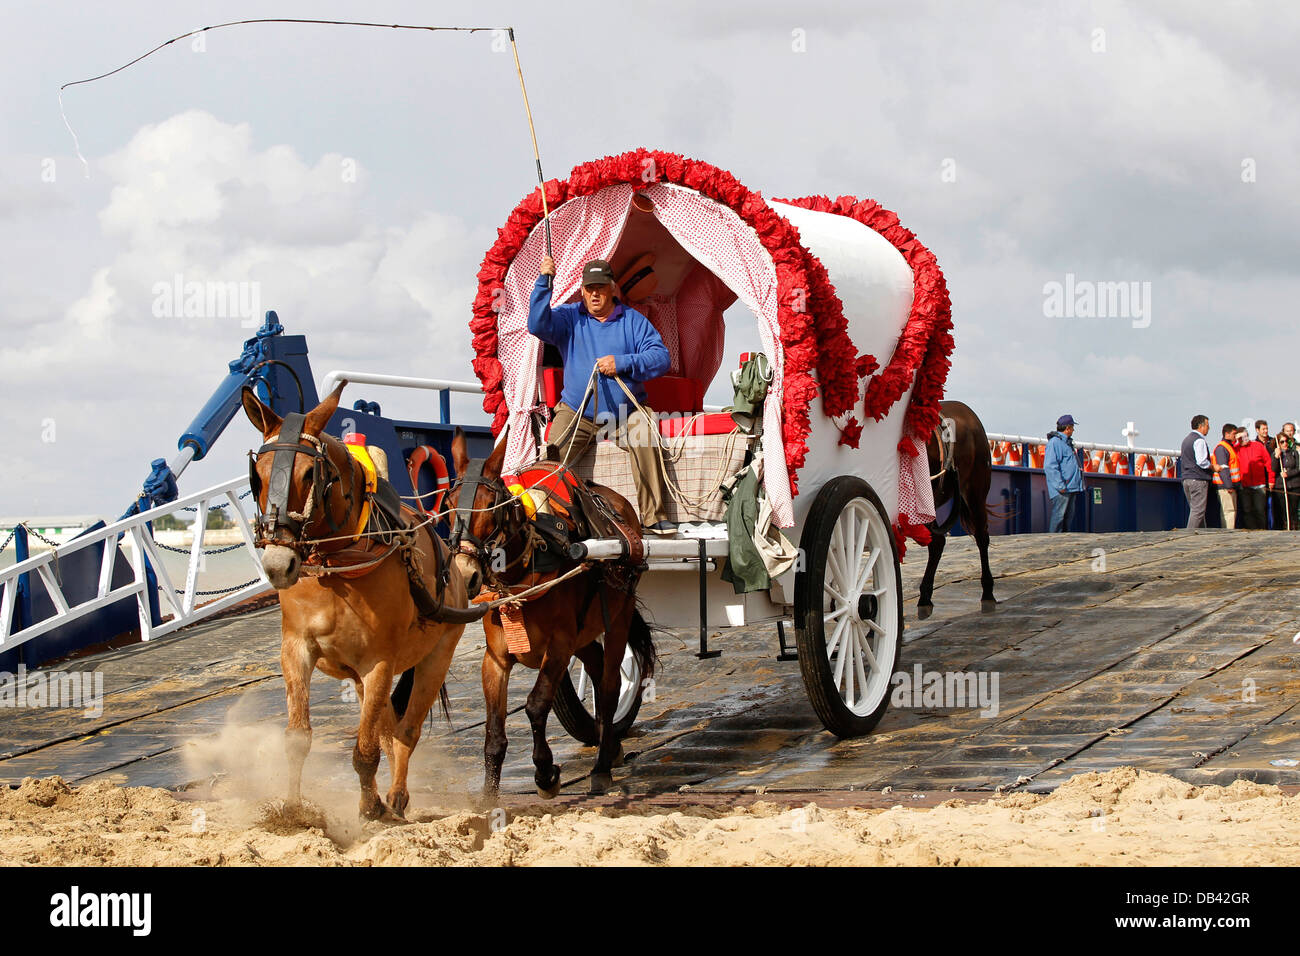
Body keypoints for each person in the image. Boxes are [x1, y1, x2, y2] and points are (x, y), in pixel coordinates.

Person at [529, 254, 674, 530]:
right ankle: (549, 522)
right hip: (576, 412)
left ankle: (655, 518)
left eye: (601, 287)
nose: (595, 294)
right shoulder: (569, 317)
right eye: (590, 288)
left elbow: (661, 358)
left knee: (645, 432)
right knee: (551, 459)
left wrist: (622, 363)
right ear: (582, 291)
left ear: (613, 288)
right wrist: (544, 281)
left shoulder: (634, 321)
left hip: (625, 413)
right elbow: (536, 325)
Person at [1044, 415, 1084, 532]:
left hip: (1070, 487)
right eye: (1072, 427)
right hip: (1063, 489)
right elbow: (1050, 466)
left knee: (1068, 517)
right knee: (1059, 516)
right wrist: (1060, 485)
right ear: (1067, 428)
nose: (1073, 430)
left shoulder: (1066, 443)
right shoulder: (1055, 443)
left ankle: (1063, 540)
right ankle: (1054, 540)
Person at [1235, 424, 1274, 530]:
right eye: (1241, 437)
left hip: (1259, 485)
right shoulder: (1235, 449)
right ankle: (1251, 531)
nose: (1245, 438)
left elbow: (1268, 463)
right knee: (1247, 510)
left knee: (1259, 510)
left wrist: (1271, 480)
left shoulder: (1258, 446)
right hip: (1244, 485)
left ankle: (1262, 530)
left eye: (1246, 435)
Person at [1179, 415, 1214, 529]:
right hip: (1198, 479)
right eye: (1207, 426)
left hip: (1186, 479)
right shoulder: (1199, 441)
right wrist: (1214, 467)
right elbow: (1202, 461)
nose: (1209, 428)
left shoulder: (1186, 440)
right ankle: (1188, 536)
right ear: (1201, 426)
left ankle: (1202, 535)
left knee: (1197, 510)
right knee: (1198, 511)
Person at [1211, 423, 1241, 529]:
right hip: (1225, 487)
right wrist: (1229, 485)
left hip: (1230, 486)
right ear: (1227, 434)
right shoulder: (1222, 448)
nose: (1235, 436)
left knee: (1232, 511)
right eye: (1234, 434)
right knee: (1228, 511)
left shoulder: (1229, 447)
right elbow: (1223, 468)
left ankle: (1229, 532)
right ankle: (1228, 534)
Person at [1272, 422, 1300, 530]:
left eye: (1286, 441)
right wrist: (1276, 456)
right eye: (1282, 442)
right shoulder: (1276, 453)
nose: (1285, 444)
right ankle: (1286, 528)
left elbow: (1298, 468)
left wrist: (1288, 474)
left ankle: (1295, 529)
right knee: (1284, 510)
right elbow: (1274, 469)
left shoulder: (1294, 452)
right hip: (1281, 486)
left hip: (1294, 485)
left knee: (1293, 510)